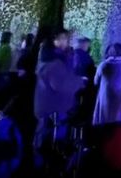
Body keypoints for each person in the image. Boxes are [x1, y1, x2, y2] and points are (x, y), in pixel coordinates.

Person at [33, 28, 85, 157]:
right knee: (52, 144)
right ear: (54, 41)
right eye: (63, 38)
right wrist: (79, 82)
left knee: (45, 139)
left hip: (48, 108)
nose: (66, 42)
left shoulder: (49, 59)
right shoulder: (55, 63)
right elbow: (60, 85)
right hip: (54, 110)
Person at [93, 43, 121, 125]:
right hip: (119, 95)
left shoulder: (103, 65)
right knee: (116, 118)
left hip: (105, 95)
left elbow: (96, 81)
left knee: (104, 118)